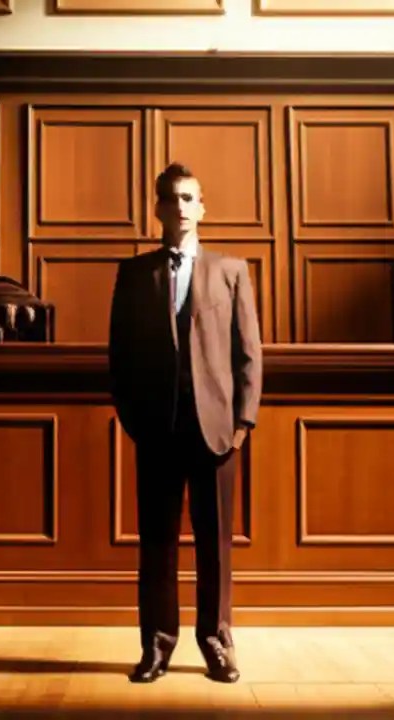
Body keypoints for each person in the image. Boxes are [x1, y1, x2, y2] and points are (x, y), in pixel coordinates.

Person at [108, 162, 263, 684]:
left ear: (202, 208)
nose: (180, 206)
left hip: (217, 430)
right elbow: (120, 357)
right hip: (157, 429)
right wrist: (133, 420)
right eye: (171, 197)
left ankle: (217, 643)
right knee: (156, 544)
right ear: (157, 208)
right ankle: (156, 645)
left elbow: (249, 353)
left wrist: (243, 421)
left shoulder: (231, 270)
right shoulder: (134, 275)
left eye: (189, 197)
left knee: (215, 546)